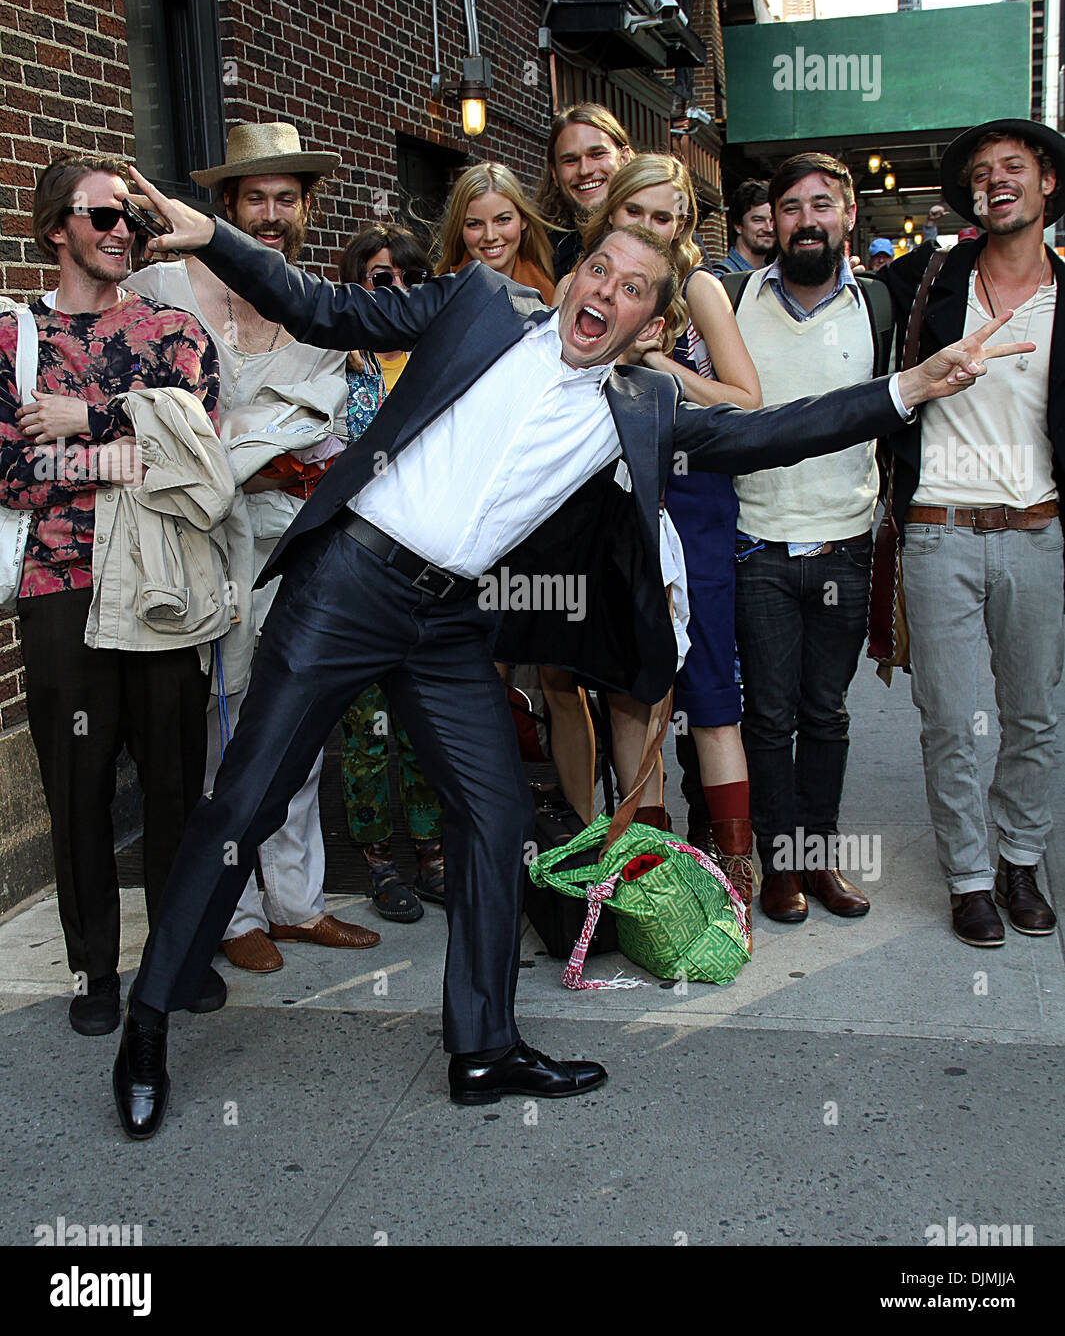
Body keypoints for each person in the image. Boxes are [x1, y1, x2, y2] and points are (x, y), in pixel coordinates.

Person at [110, 163, 1030, 1138]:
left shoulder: (641, 406)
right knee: (243, 803)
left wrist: (910, 387)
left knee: (498, 811)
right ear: (574, 272)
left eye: (634, 290)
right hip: (348, 581)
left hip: (450, 619)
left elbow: (776, 431)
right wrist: (209, 234)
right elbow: (323, 305)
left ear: (648, 326)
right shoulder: (479, 306)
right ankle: (149, 1021)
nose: (607, 293)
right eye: (600, 269)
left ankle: (482, 1046)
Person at [126, 122, 380, 972]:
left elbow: (324, 429)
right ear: (224, 204)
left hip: (291, 537)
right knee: (224, 718)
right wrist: (252, 445)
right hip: (192, 537)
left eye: (285, 200)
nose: (269, 215)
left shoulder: (314, 302)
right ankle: (232, 912)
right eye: (254, 199)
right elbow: (154, 419)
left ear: (303, 209)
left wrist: (247, 443)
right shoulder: (162, 285)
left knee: (295, 707)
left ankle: (298, 900)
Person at [0, 154, 227, 1034]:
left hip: (161, 581)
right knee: (78, 782)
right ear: (57, 227)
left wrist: (83, 424)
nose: (120, 229)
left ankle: (171, 959)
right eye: (100, 215)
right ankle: (96, 968)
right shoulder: (15, 343)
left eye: (130, 215)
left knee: (174, 782)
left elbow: (194, 456)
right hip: (60, 587)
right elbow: (11, 474)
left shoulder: (174, 329)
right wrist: (126, 447)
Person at [551, 155, 762, 912]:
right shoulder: (584, 282)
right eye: (633, 212)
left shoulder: (697, 288)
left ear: (684, 227)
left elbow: (745, 400)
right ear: (610, 214)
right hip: (611, 499)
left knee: (707, 689)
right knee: (629, 691)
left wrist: (661, 364)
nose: (647, 226)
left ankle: (736, 873)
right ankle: (648, 881)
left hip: (694, 499)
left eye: (664, 216)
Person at [878, 118, 1065, 947]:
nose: (996, 180)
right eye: (982, 172)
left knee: (1033, 715)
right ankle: (970, 876)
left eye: (1012, 167)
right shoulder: (927, 279)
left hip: (1037, 530)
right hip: (938, 530)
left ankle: (1020, 856)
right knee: (951, 718)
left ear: (1045, 184)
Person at [721, 153, 898, 925]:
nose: (805, 219)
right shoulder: (730, 302)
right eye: (790, 207)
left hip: (844, 547)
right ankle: (777, 871)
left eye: (821, 204)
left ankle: (816, 861)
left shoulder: (882, 309)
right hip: (756, 544)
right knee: (767, 718)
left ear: (848, 216)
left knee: (824, 715)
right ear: (773, 220)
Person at [336, 223, 446, 922]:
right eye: (379, 277)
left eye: (407, 275)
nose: (394, 288)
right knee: (365, 728)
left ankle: (433, 853)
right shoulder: (336, 365)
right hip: (355, 569)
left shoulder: (445, 358)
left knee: (424, 720)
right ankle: (378, 863)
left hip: (433, 570)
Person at [534, 103, 633, 281]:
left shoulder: (662, 229)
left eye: (597, 154)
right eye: (570, 160)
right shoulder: (540, 252)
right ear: (555, 174)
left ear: (624, 158)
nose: (584, 170)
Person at [434, 162, 555, 299]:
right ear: (459, 228)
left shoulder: (548, 295)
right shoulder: (438, 296)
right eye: (474, 224)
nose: (490, 236)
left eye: (503, 220)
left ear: (523, 220)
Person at [712, 179, 775, 277]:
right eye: (758, 220)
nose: (769, 228)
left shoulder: (772, 277)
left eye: (772, 220)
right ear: (738, 225)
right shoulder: (721, 278)